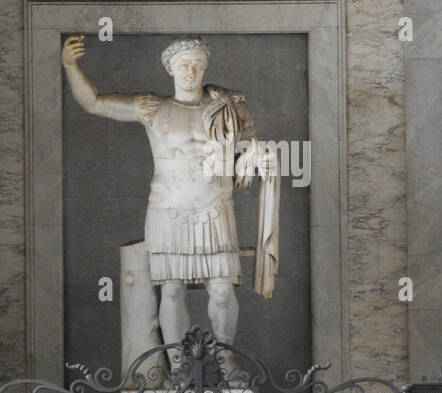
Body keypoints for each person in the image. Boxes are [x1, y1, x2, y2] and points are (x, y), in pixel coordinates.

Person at [61, 34, 279, 347]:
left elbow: (250, 152)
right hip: (168, 210)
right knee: (172, 289)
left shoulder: (227, 109)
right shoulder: (153, 108)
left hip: (214, 209)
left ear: (205, 69)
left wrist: (257, 156)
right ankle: (178, 363)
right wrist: (70, 66)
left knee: (221, 290)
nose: (190, 71)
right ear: (170, 69)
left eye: (197, 65)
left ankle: (225, 356)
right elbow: (93, 102)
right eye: (183, 64)